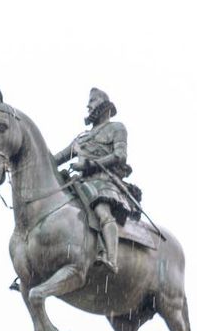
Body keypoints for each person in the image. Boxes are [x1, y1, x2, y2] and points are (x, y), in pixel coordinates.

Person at [54, 87, 140, 273]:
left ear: (104, 106)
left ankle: (111, 259)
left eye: (92, 101)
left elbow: (120, 155)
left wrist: (90, 166)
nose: (88, 105)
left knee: (102, 212)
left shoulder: (117, 128)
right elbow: (58, 158)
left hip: (104, 182)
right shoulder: (82, 138)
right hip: (80, 184)